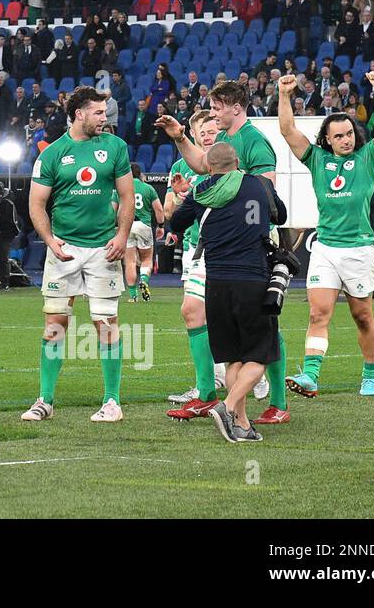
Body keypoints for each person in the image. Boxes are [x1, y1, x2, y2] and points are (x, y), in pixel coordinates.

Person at [156, 80, 288, 424]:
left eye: (216, 108)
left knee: (265, 324)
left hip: (250, 248)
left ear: (236, 107)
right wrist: (180, 138)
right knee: (196, 313)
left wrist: (204, 200)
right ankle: (211, 398)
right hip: (218, 248)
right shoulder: (226, 141)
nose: (212, 114)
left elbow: (266, 195)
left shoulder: (255, 142)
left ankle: (277, 402)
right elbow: (204, 165)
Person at [279, 71, 374, 398]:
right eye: (339, 136)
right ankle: (310, 376)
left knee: (362, 316)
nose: (346, 139)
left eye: (349, 134)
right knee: (318, 313)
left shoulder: (368, 158)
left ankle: (371, 373)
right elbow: (288, 130)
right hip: (325, 249)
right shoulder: (316, 160)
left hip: (359, 250)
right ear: (328, 140)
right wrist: (284, 95)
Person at [23, 86, 134, 424]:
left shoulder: (115, 146)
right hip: (65, 249)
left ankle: (112, 401)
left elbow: (127, 197)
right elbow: (36, 203)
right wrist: (49, 240)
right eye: (98, 112)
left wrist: (122, 236)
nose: (104, 117)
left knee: (106, 324)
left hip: (104, 248)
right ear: (79, 114)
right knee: (54, 324)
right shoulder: (52, 154)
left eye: (105, 111)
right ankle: (45, 400)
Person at [161, 110, 228, 416]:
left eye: (212, 131)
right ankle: (210, 383)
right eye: (202, 133)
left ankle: (254, 374)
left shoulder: (227, 161)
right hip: (195, 248)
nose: (207, 136)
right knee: (196, 312)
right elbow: (169, 212)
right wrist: (179, 197)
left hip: (224, 247)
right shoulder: (180, 167)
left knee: (227, 312)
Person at [120, 163, 164, 303]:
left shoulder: (121, 188)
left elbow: (113, 208)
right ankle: (144, 280)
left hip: (127, 225)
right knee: (146, 259)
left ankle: (133, 296)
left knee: (130, 261)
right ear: (140, 174)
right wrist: (161, 226)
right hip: (143, 225)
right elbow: (159, 209)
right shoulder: (148, 188)